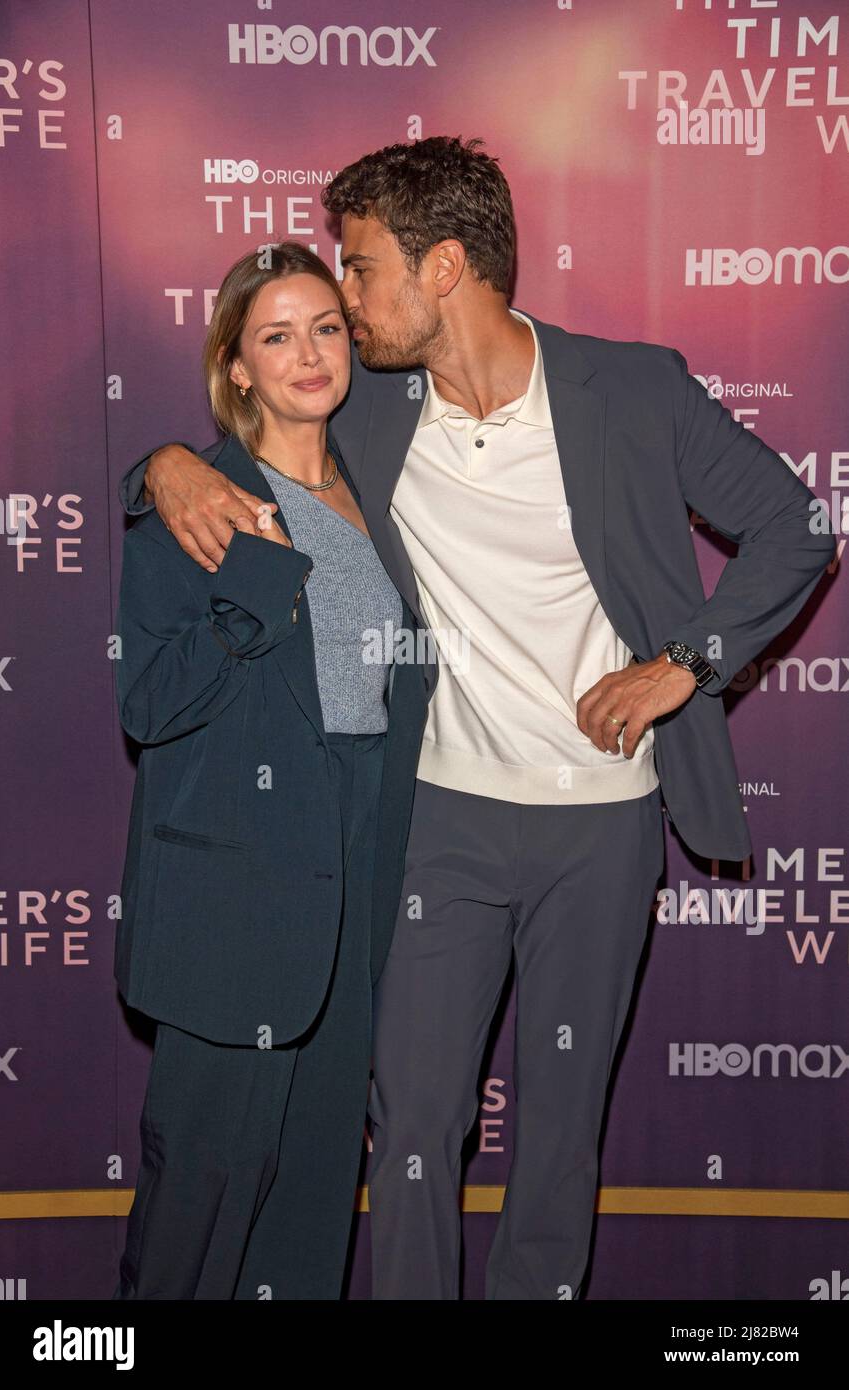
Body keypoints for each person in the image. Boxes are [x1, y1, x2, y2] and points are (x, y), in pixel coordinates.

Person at [117, 137, 836, 1300]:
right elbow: (242, 432)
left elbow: (797, 526)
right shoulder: (372, 402)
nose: (344, 307)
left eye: (360, 271)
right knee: (409, 1127)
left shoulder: (629, 391)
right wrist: (159, 466)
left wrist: (684, 664)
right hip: (436, 823)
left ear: (441, 267)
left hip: (601, 824)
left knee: (558, 1135)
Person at [112, 240, 427, 1300]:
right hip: (235, 898)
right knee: (199, 1203)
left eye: (327, 328)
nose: (310, 354)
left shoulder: (376, 485)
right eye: (277, 336)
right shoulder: (197, 504)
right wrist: (248, 578)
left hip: (354, 882)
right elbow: (148, 704)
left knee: (311, 1203)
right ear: (236, 366)